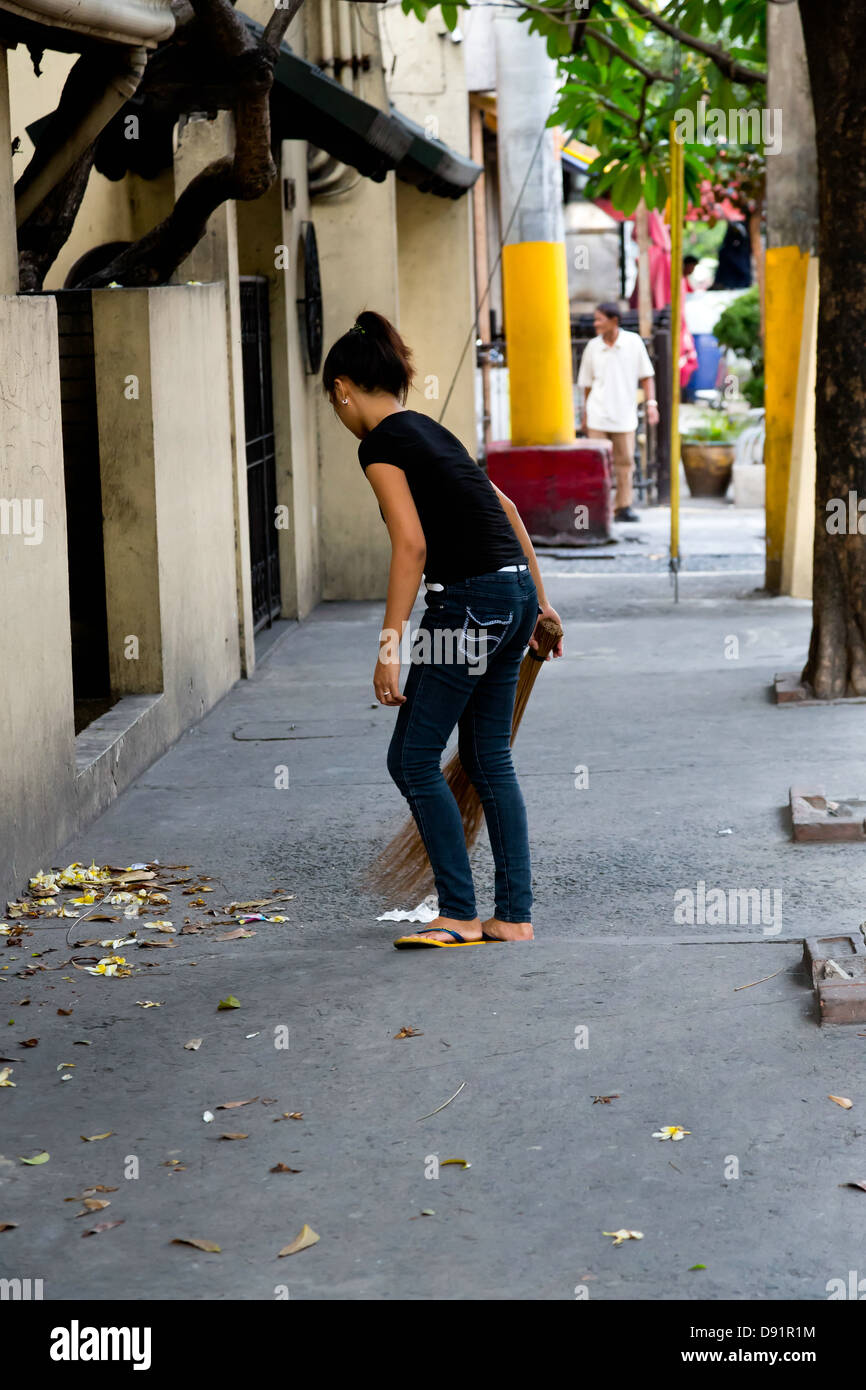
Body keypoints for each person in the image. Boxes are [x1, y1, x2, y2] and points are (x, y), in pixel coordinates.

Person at [322, 310, 563, 949]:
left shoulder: (378, 446)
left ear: (343, 387)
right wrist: (539, 605)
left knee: (411, 756)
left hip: (467, 605)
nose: (337, 412)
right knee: (488, 757)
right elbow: (507, 510)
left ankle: (457, 912)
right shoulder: (430, 431)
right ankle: (512, 916)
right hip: (510, 596)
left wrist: (389, 647)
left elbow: (410, 545)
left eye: (332, 400)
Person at [577, 302, 659, 523]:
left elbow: (646, 376)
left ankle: (623, 506)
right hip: (597, 414)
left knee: (625, 463)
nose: (596, 324)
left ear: (614, 321)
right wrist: (584, 415)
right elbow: (586, 384)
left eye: (599, 319)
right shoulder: (593, 347)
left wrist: (651, 404)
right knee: (596, 464)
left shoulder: (633, 342)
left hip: (624, 415)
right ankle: (598, 508)